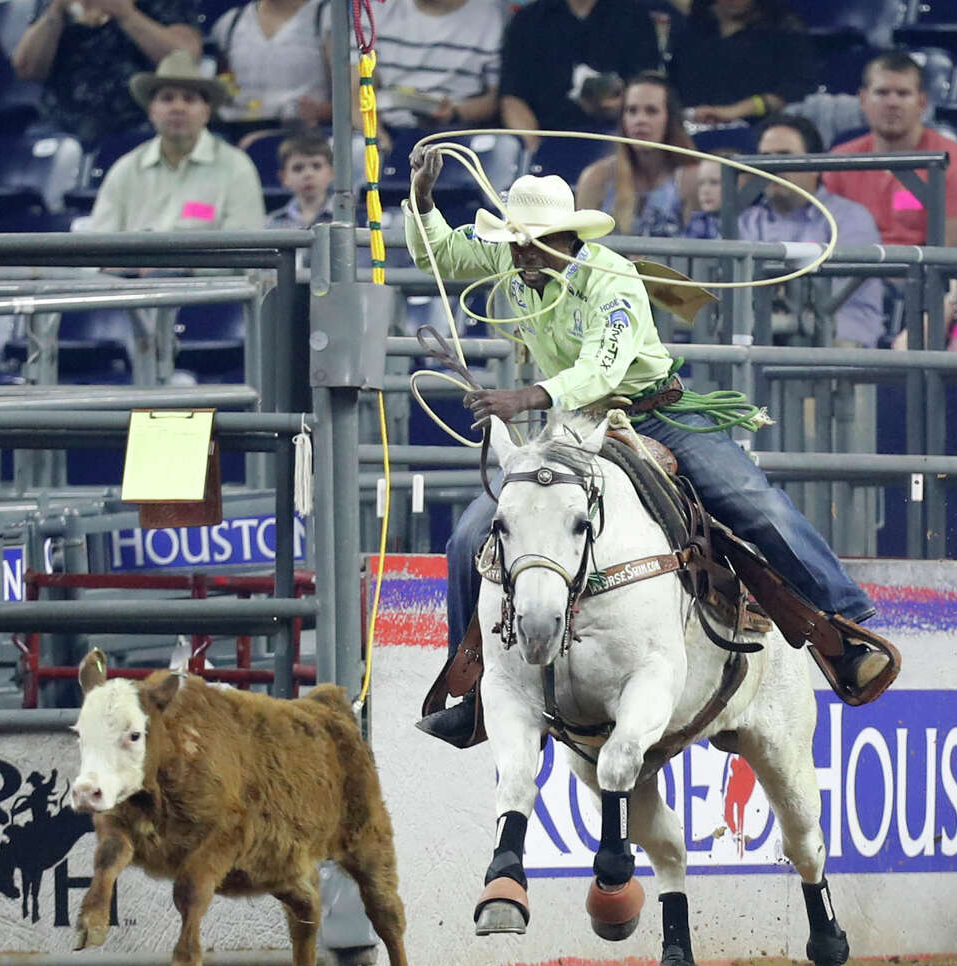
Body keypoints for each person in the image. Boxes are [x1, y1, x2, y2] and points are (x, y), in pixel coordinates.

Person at [404, 148, 890, 742]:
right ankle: (474, 687)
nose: (524, 253)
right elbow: (443, 253)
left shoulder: (610, 277)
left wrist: (528, 398)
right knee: (469, 536)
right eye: (516, 242)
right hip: (568, 429)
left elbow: (603, 368)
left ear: (566, 237)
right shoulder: (514, 263)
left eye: (536, 242)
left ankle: (843, 628)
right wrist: (424, 202)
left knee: (746, 497)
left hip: (649, 414)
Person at [89, 50, 265, 377]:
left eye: (189, 98)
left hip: (208, 307)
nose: (178, 107)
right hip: (130, 302)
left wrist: (176, 267)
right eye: (167, 98)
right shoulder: (125, 170)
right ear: (152, 110)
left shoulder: (236, 168)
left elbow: (247, 254)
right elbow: (97, 250)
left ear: (206, 110)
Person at [737, 114, 883, 349]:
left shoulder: (850, 218)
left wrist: (777, 290)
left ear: (815, 166)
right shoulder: (745, 222)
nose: (774, 167)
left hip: (840, 341)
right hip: (764, 337)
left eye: (785, 157)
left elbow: (833, 294)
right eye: (766, 158)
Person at [821, 53, 957, 249]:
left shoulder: (954, 159)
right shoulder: (839, 160)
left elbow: (954, 244)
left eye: (903, 93)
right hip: (850, 272)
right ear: (863, 100)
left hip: (924, 274)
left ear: (922, 102)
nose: (892, 103)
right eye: (882, 93)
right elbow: (823, 232)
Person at [12, 0, 201, 146]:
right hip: (60, 127)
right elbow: (26, 69)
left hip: (140, 126)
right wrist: (54, 13)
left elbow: (184, 59)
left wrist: (126, 15)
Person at [498, 0, 660, 145]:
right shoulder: (527, 21)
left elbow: (649, 92)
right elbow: (512, 99)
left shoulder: (634, 18)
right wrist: (533, 151)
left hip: (619, 142)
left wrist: (624, 106)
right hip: (548, 141)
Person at [573, 72, 699, 239]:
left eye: (651, 111)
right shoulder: (595, 178)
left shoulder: (692, 179)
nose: (640, 120)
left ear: (670, 120)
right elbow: (579, 251)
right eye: (632, 111)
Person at [369, 0, 502, 144]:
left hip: (460, 136)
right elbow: (355, 89)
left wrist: (455, 113)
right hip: (384, 131)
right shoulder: (377, 7)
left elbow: (496, 99)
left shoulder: (491, 15)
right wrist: (374, 136)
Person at [668, 0, 815, 126]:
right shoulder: (692, 28)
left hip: (758, 128)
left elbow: (794, 89)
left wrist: (733, 112)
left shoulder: (784, 31)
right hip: (688, 127)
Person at [210, 0, 332, 137]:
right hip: (237, 131)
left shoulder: (329, 17)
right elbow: (218, 89)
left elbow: (353, 99)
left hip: (305, 134)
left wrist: (324, 111)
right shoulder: (230, 23)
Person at [265, 128, 334, 230]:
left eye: (316, 166)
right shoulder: (273, 223)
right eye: (298, 168)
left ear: (331, 173)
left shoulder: (347, 219)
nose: (308, 174)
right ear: (284, 178)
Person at [682, 153, 726, 238]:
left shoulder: (752, 221)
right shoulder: (698, 224)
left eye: (714, 182)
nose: (705, 191)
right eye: (701, 183)